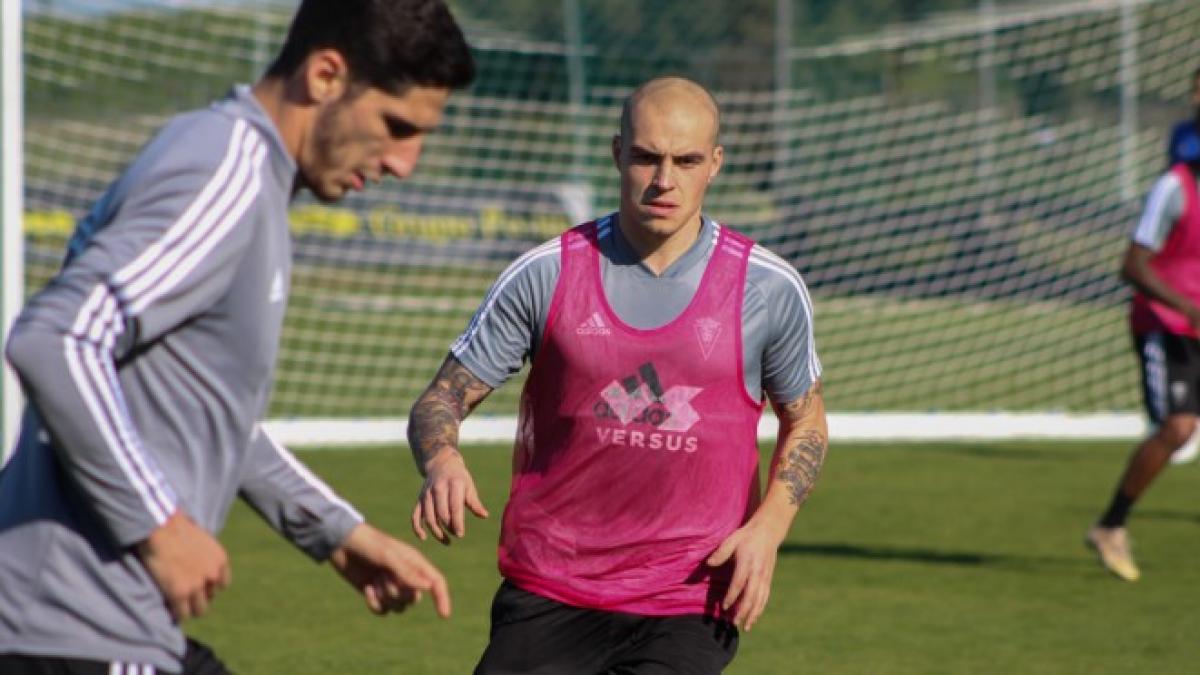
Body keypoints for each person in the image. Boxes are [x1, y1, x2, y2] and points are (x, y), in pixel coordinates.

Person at [0, 1, 474, 672]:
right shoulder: (228, 170)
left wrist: (339, 533)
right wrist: (159, 526)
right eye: (396, 126)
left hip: (95, 629)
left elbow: (207, 411)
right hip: (71, 631)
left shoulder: (246, 175)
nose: (404, 163)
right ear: (325, 76)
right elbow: (57, 338)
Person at [407, 76, 827, 674]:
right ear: (616, 153)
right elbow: (441, 399)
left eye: (686, 161)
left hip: (690, 594)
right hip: (551, 584)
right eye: (647, 157)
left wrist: (768, 530)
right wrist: (442, 461)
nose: (664, 180)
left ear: (715, 164)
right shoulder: (545, 274)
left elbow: (806, 420)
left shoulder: (769, 288)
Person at [1086, 137, 1200, 582]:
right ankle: (1110, 526)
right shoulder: (1175, 187)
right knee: (1177, 428)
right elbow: (1132, 265)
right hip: (1166, 324)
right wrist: (1187, 308)